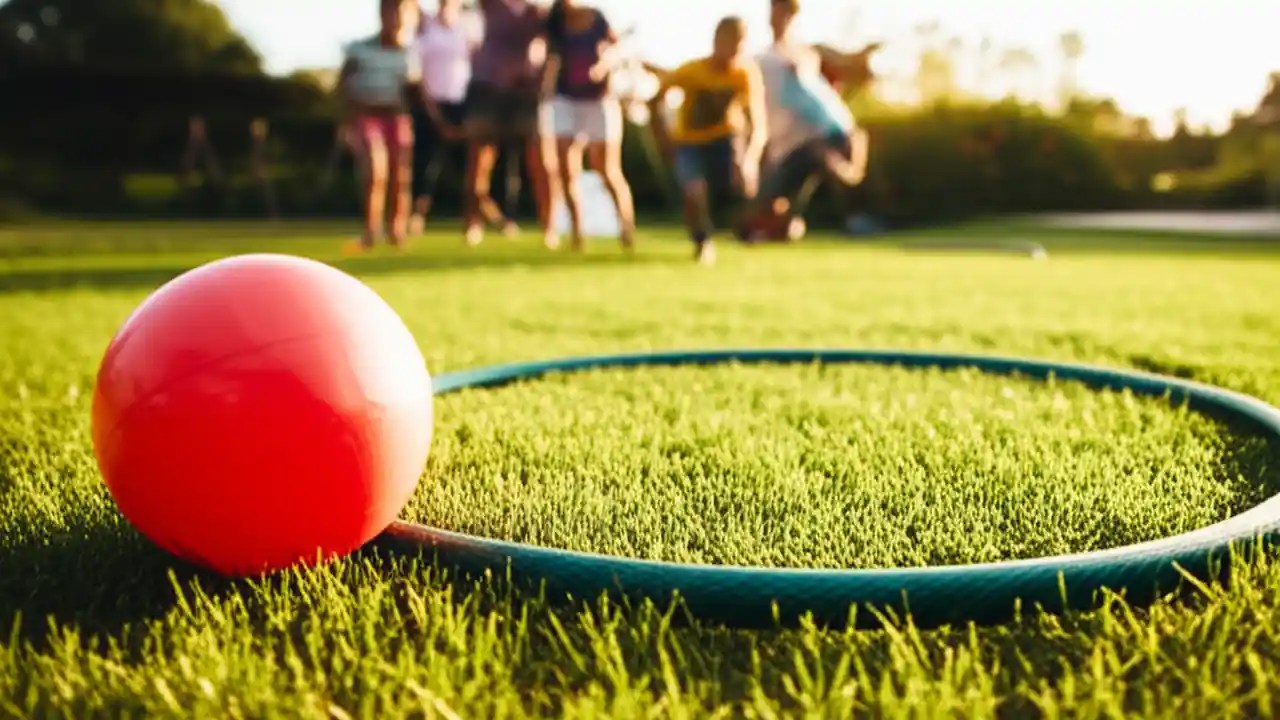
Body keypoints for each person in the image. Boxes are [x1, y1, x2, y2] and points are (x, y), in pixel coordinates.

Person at [744, 0, 871, 242]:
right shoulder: (759, 59)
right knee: (772, 199)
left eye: (785, 13)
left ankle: (853, 199)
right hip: (789, 145)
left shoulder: (808, 53)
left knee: (820, 155)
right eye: (776, 11)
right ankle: (783, 225)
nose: (779, 18)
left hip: (827, 132)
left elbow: (845, 64)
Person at [647, 17, 767, 265]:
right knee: (694, 191)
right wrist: (663, 138)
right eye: (729, 43)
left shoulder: (744, 74)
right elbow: (655, 100)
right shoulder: (692, 71)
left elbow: (757, 124)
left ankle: (744, 226)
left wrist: (750, 159)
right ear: (716, 41)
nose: (734, 50)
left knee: (744, 184)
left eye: (739, 45)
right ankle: (702, 240)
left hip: (726, 140)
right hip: (690, 143)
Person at [464, 0, 561, 249]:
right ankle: (473, 224)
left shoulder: (542, 12)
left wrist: (543, 82)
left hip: (528, 92)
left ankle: (550, 227)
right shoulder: (491, 4)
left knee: (543, 164)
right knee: (479, 164)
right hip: (489, 87)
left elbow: (555, 46)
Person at [543, 0, 636, 252]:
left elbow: (617, 49)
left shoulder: (597, 19)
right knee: (566, 167)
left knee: (605, 168)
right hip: (566, 99)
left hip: (599, 99)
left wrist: (603, 66)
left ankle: (626, 228)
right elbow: (550, 59)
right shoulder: (554, 22)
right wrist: (545, 93)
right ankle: (577, 231)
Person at [338, 0, 424, 250]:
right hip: (367, 117)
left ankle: (397, 231)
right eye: (390, 11)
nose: (395, 17)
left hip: (397, 118)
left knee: (401, 176)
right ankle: (370, 231)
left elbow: (416, 93)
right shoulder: (359, 49)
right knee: (375, 174)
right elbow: (343, 85)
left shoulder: (410, 53)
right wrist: (346, 121)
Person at [408, 0, 491, 236]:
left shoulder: (469, 26)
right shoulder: (425, 28)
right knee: (424, 165)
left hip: (464, 105)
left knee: (475, 168)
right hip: (430, 105)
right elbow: (417, 73)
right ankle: (417, 216)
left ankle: (476, 219)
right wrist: (434, 115)